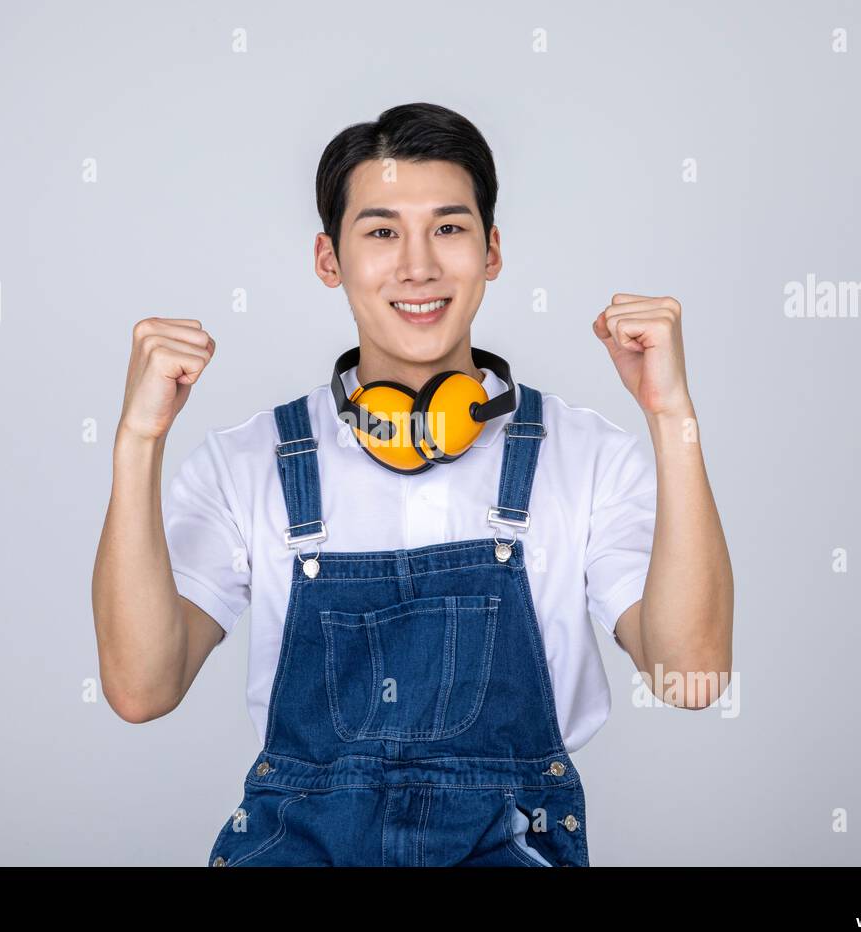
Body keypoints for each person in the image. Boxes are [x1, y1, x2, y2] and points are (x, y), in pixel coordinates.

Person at [92, 103, 734, 866]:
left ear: (492, 251)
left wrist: (672, 417)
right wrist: (137, 443)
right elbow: (141, 690)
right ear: (329, 259)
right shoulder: (250, 461)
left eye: (450, 228)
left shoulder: (587, 456)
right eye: (382, 231)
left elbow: (691, 676)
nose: (419, 266)